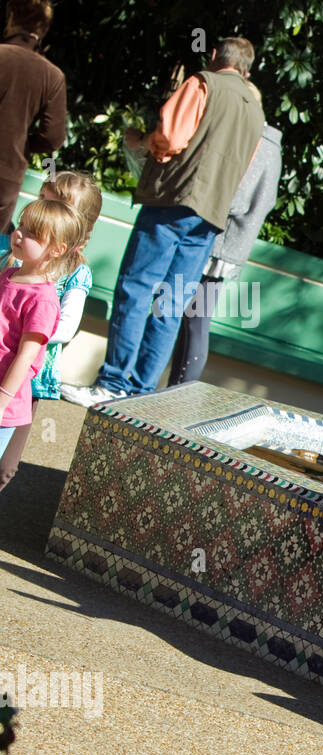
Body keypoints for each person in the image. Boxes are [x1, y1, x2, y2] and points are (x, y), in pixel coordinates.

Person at [61, 37, 264, 406]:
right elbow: (244, 167)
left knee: (135, 289)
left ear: (215, 55)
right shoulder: (255, 110)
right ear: (247, 68)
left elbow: (169, 136)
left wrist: (147, 143)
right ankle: (140, 393)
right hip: (211, 216)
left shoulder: (202, 83)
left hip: (173, 201)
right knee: (171, 302)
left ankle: (113, 382)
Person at [168, 98, 282, 386]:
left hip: (220, 244)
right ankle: (175, 390)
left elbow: (238, 199)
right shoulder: (271, 145)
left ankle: (177, 393)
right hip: (228, 245)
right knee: (194, 319)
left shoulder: (259, 143)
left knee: (195, 320)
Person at [0, 171, 101, 490]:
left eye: (52, 205)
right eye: (42, 200)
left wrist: (28, 327)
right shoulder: (13, 263)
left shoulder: (71, 276)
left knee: (6, 465)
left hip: (28, 380)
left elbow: (65, 327)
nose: (42, 210)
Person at [0, 198, 81, 467]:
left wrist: (2, 400)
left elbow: (25, 358)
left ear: (57, 249)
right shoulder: (7, 274)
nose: (19, 233)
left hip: (4, 405)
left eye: (32, 232)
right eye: (21, 225)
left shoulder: (43, 300)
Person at [0, 0, 65, 235]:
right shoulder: (52, 76)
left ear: (11, 18)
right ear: (44, 29)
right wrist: (21, 143)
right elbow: (53, 138)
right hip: (7, 174)